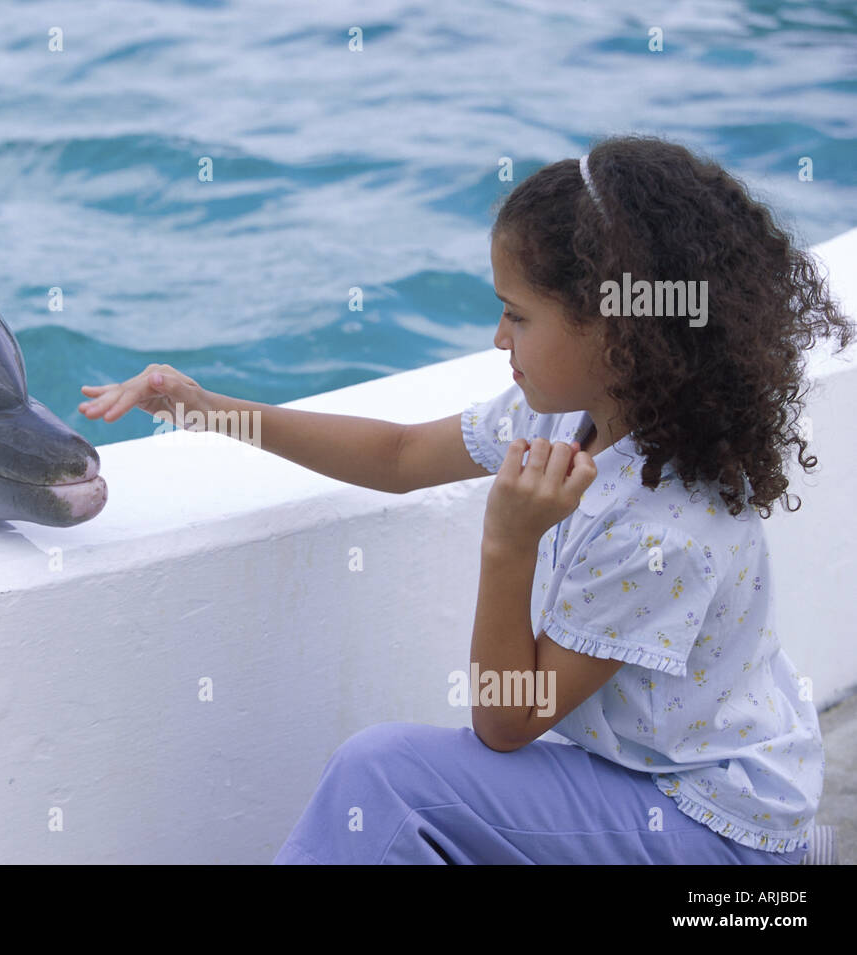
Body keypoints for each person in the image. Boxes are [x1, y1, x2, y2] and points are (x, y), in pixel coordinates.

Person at [77, 134, 852, 864]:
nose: (497, 338)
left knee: (384, 777)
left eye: (517, 314)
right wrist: (205, 405)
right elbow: (400, 454)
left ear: (618, 330)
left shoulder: (662, 526)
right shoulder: (563, 414)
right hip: (654, 778)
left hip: (711, 827)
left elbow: (507, 720)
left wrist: (508, 545)